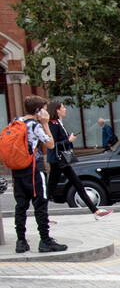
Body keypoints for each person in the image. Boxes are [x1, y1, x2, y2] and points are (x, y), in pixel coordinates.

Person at [10, 95, 65, 254]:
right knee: (40, 204)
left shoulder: (15, 122)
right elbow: (50, 143)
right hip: (33, 169)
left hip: (17, 170)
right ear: (37, 110)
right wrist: (45, 123)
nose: (46, 112)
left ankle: (21, 241)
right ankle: (45, 241)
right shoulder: (35, 125)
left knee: (21, 205)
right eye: (45, 109)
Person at [48, 100, 112, 218]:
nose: (65, 109)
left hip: (63, 160)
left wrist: (68, 139)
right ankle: (41, 214)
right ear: (57, 110)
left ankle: (96, 211)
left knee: (77, 184)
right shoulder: (53, 124)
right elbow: (53, 144)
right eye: (63, 107)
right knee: (51, 188)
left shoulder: (58, 123)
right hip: (58, 160)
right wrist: (69, 140)